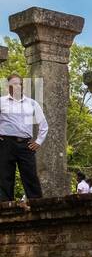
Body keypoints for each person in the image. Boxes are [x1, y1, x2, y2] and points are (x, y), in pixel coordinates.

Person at [0, 73, 47, 202]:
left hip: (25, 144)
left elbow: (43, 124)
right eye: (13, 84)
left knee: (30, 175)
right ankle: (5, 205)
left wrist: (38, 141)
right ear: (8, 87)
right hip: (5, 143)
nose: (16, 86)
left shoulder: (32, 103)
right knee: (5, 175)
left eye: (19, 83)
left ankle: (37, 204)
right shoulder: (1, 101)